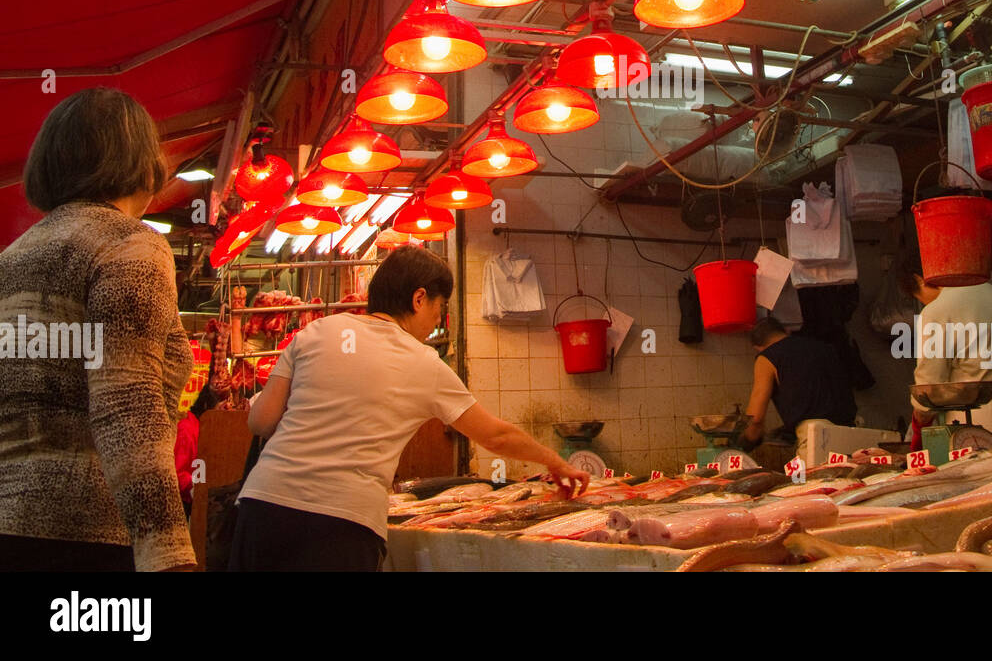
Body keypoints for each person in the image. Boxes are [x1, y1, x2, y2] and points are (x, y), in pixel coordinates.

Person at [230, 246, 590, 572]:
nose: (437, 321)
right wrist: (554, 461)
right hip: (342, 523)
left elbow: (260, 421)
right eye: (439, 307)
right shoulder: (425, 363)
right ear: (420, 298)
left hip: (263, 508)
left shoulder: (318, 331)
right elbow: (495, 435)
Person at [0, 88, 196, 572]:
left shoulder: (10, 260)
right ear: (140, 162)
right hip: (91, 538)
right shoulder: (130, 247)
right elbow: (129, 405)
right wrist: (169, 553)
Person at [895, 242, 992, 447]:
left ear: (919, 279)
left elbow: (929, 385)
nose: (924, 303)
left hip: (979, 435)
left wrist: (918, 426)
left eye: (918, 296)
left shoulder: (936, 311)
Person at [741, 317, 856, 447]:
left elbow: (755, 419)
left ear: (758, 347)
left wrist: (745, 443)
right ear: (786, 332)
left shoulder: (767, 357)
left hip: (817, 440)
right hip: (853, 433)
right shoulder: (826, 348)